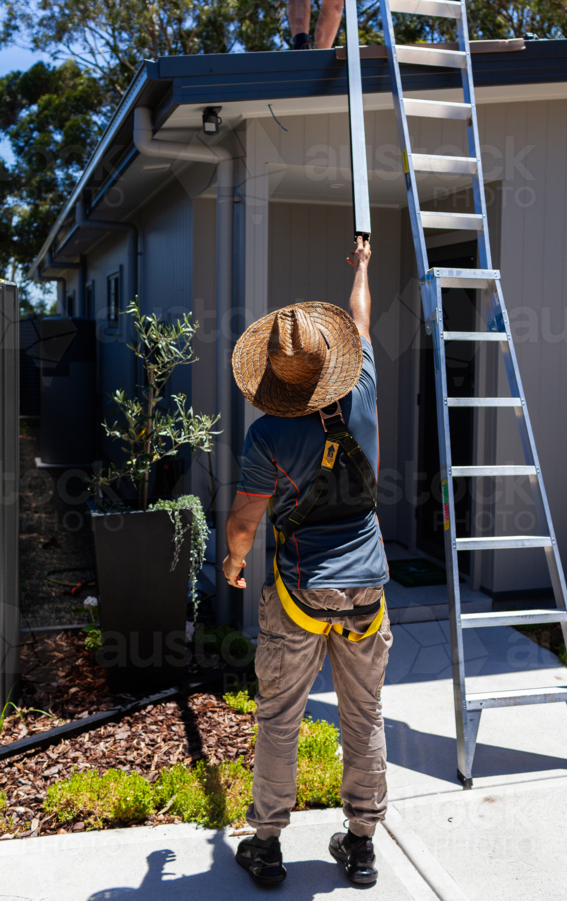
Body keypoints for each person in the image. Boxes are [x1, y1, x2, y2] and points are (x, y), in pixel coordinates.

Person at [223, 235, 391, 887]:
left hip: (299, 590)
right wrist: (363, 269)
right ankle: (360, 844)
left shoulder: (268, 433)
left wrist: (236, 563)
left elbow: (243, 521)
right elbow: (363, 318)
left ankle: (265, 848)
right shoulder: (367, 384)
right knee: (364, 717)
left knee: (280, 719)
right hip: (367, 590)